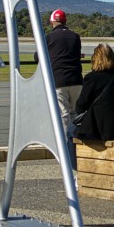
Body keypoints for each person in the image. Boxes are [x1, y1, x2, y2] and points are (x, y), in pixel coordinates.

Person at [34, 9, 83, 139]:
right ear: (65, 21)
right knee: (76, 113)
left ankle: (66, 145)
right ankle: (77, 143)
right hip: (76, 79)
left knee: (63, 114)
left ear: (52, 22)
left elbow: (38, 57)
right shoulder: (75, 36)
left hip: (58, 80)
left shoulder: (49, 37)